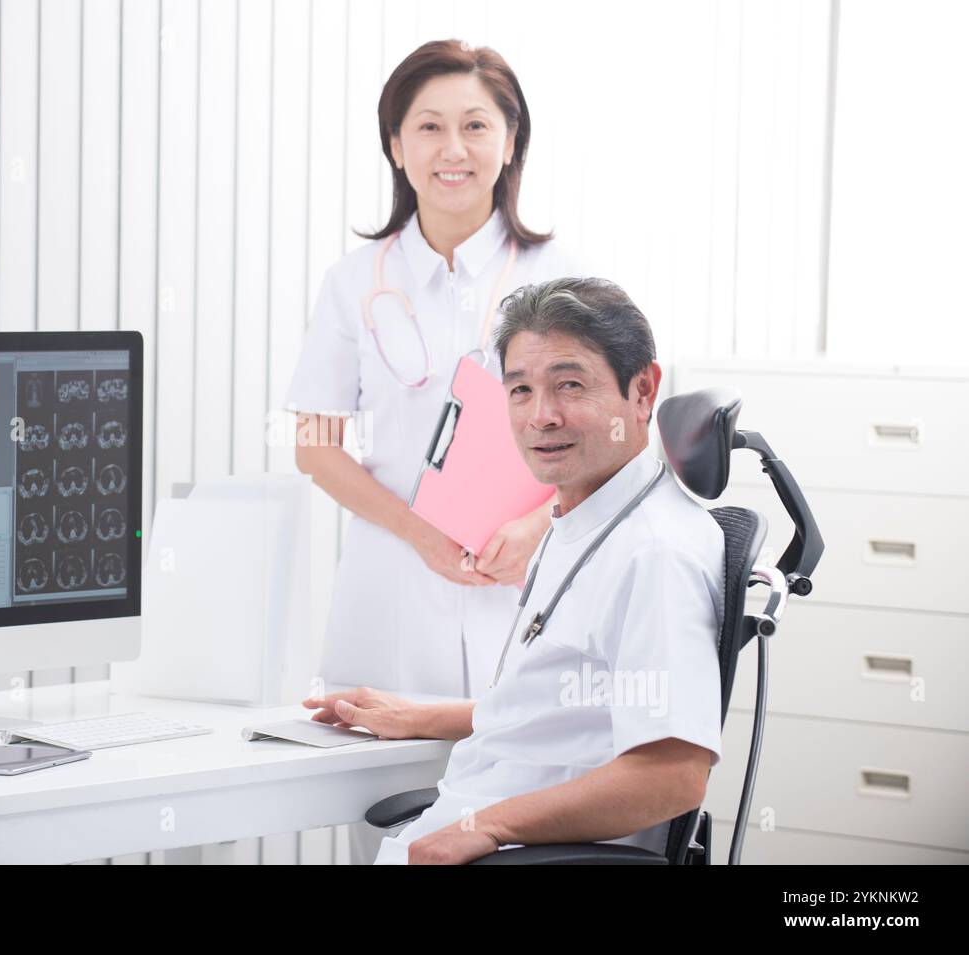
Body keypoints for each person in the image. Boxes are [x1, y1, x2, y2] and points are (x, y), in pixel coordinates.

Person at [303, 277, 725, 865]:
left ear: (643, 390)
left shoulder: (653, 555)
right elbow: (567, 708)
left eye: (570, 385)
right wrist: (421, 717)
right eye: (520, 390)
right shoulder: (581, 517)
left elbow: (672, 774)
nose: (540, 416)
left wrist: (487, 826)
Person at [287, 39, 584, 707]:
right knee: (382, 800)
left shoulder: (564, 281)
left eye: (476, 126)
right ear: (396, 146)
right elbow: (315, 445)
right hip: (391, 590)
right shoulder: (353, 282)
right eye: (429, 127)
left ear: (511, 144)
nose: (454, 149)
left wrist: (537, 527)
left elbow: (613, 446)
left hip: (524, 583)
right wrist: (420, 533)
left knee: (519, 794)